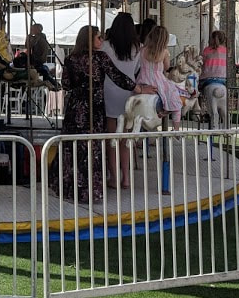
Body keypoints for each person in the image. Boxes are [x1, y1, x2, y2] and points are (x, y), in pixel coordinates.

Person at [59, 25, 143, 203]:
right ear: (89, 40)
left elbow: (66, 84)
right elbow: (117, 76)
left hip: (75, 107)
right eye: (98, 37)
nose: (101, 40)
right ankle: (91, 190)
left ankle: (70, 188)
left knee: (74, 148)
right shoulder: (100, 58)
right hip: (93, 108)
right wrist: (137, 87)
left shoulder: (71, 59)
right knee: (93, 148)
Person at [101, 12, 140, 189]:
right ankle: (126, 178)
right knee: (125, 138)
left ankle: (114, 177)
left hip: (110, 90)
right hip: (129, 91)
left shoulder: (106, 46)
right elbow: (137, 69)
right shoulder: (137, 47)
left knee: (112, 138)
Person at [138, 26, 183, 129]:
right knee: (176, 99)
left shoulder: (142, 50)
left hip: (142, 80)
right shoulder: (164, 52)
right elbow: (167, 67)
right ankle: (176, 129)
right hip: (158, 81)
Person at [25, 23, 58, 89]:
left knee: (43, 71)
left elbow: (28, 46)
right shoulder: (39, 38)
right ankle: (54, 84)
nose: (31, 30)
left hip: (37, 60)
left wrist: (28, 38)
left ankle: (54, 84)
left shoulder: (39, 39)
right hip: (38, 60)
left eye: (33, 29)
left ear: (37, 30)